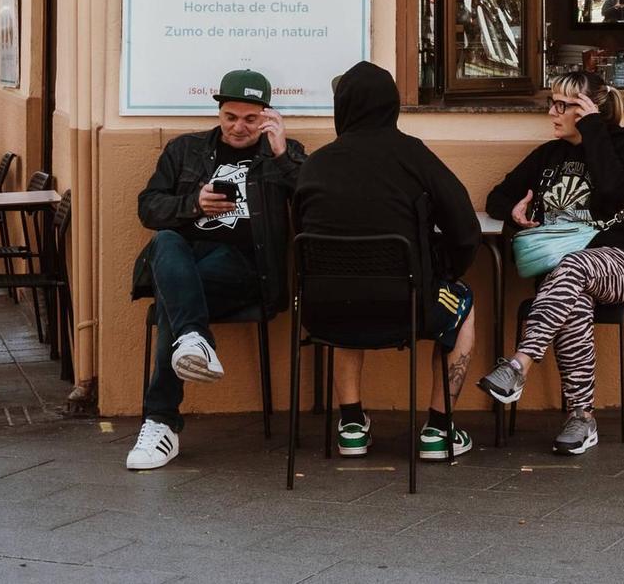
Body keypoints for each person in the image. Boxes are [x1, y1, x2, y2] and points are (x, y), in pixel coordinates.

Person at [294, 60, 483, 462]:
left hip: (323, 310)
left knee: (344, 288)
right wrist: (444, 273)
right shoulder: (412, 155)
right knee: (462, 303)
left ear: (342, 108)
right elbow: (466, 230)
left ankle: (349, 425)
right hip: (408, 307)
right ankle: (438, 429)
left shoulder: (316, 164)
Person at [126, 69, 307, 471]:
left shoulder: (284, 153)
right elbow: (148, 207)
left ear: (266, 117)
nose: (239, 127)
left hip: (248, 272)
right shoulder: (185, 150)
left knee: (178, 300)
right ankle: (194, 340)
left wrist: (281, 154)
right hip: (188, 261)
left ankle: (161, 422)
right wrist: (194, 204)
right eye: (231, 117)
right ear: (219, 112)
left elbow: (313, 203)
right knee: (167, 242)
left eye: (250, 119)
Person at [478, 68, 624, 455]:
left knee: (575, 267)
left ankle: (518, 366)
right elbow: (497, 196)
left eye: (563, 105)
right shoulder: (549, 156)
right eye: (552, 102)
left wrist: (596, 131)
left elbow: (615, 188)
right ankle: (582, 418)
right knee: (573, 295)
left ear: (589, 111)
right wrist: (514, 210)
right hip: (566, 281)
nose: (552, 112)